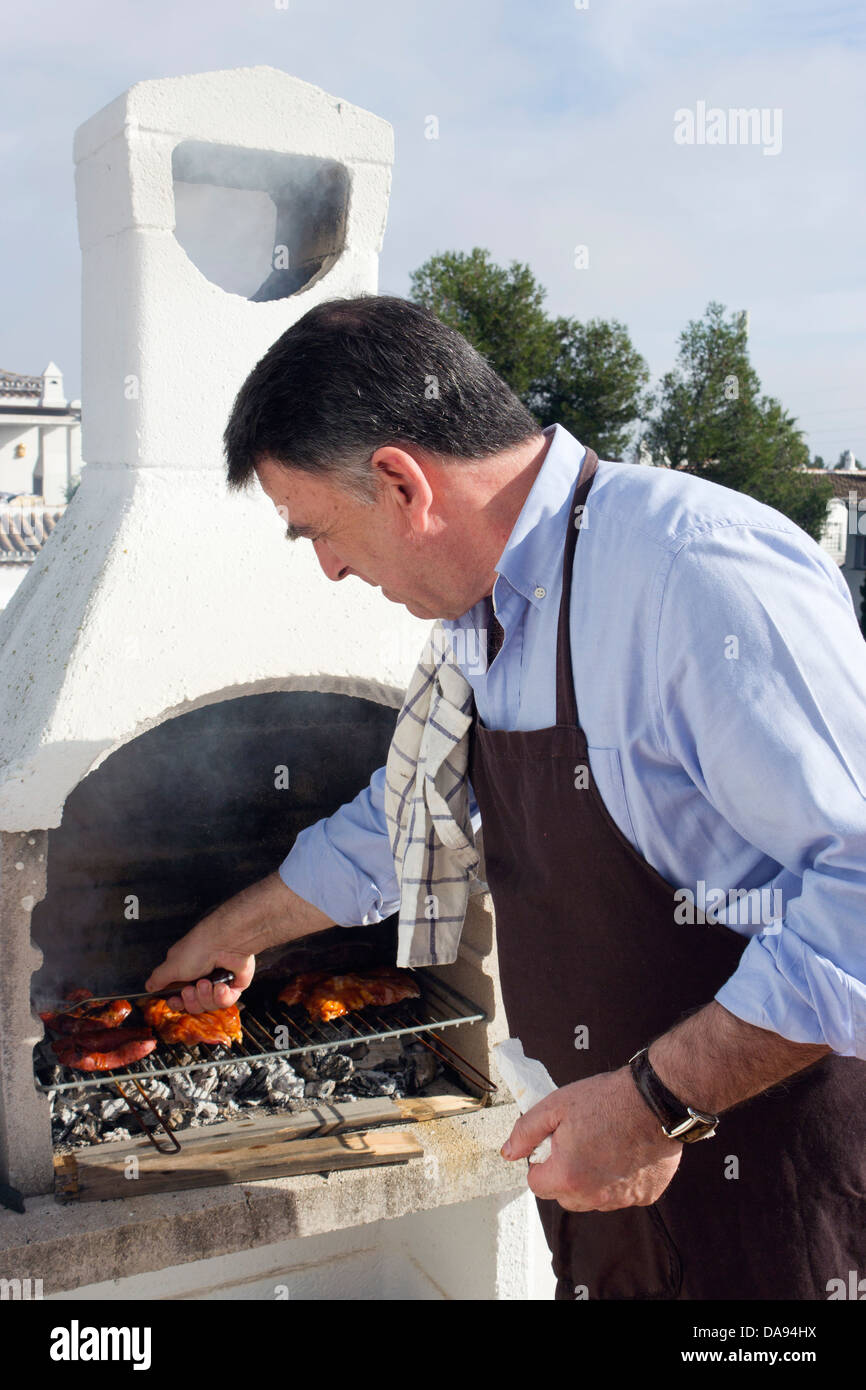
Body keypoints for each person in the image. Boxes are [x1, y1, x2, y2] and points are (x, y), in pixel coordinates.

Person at [147, 296, 866, 1300]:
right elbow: (403, 825)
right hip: (609, 1185)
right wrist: (235, 929)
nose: (330, 569)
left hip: (777, 1204)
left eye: (320, 530)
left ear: (400, 482)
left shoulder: (687, 572)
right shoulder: (481, 622)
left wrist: (655, 1103)